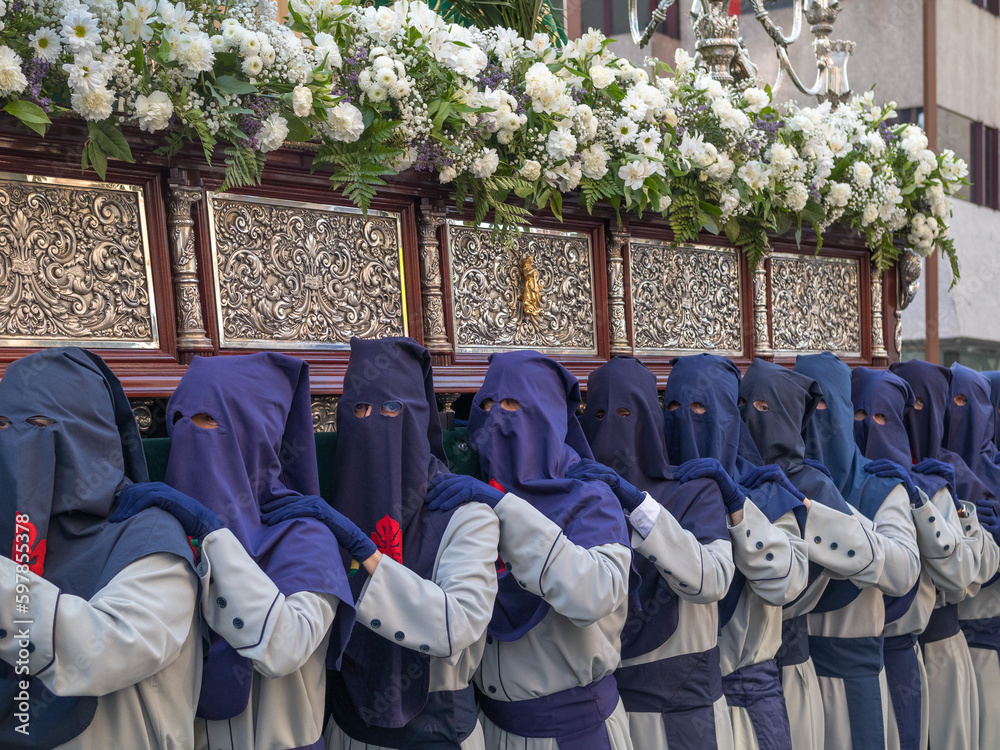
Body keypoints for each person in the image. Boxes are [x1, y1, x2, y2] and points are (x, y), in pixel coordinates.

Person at [113, 352, 357, 750]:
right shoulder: (167, 529)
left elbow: (284, 647)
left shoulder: (306, 536)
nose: (191, 433)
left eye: (208, 421)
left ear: (252, 432)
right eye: (180, 420)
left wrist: (213, 534)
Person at [279, 337, 499, 749]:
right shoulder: (332, 503)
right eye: (359, 410)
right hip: (346, 729)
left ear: (416, 419)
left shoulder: (464, 514)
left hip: (437, 731)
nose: (372, 421)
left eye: (391, 411)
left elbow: (459, 622)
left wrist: (367, 557)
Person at [426, 350, 634, 749]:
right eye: (486, 405)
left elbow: (595, 593)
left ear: (548, 413)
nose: (496, 416)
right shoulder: (471, 496)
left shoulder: (590, 498)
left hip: (573, 733)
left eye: (512, 404)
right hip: (492, 730)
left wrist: (505, 508)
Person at [0, 347, 201, 749]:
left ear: (88, 433)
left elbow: (109, 649)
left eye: (39, 424)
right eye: (3, 425)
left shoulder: (147, 535)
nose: (17, 440)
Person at [578, 355, 738, 749]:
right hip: (612, 716)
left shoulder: (694, 492)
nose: (612, 426)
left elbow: (712, 579)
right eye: (598, 414)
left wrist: (638, 504)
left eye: (625, 412)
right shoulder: (584, 499)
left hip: (686, 718)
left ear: (650, 418)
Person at [738, 357, 889, 750]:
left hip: (790, 667)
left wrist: (802, 504)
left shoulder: (810, 481)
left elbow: (869, 554)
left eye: (764, 408)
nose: (749, 419)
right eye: (742, 406)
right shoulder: (727, 472)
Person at [662, 353, 810, 750]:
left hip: (747, 709)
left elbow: (788, 583)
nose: (686, 419)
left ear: (727, 416)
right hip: (679, 713)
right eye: (674, 407)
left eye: (700, 408)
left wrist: (736, 507)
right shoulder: (658, 493)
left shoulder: (764, 490)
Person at [792, 353, 921, 750]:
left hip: (854, 683)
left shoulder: (879, 486)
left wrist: (822, 514)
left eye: (825, 405)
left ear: (844, 408)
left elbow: (903, 570)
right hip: (794, 680)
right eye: (805, 406)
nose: (816, 417)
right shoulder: (778, 477)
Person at [852, 366, 983, 750]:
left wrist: (921, 501)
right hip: (859, 668)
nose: (869, 428)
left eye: (881, 418)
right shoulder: (837, 484)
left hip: (929, 652)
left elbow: (965, 572)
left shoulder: (936, 484)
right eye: (858, 415)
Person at [940, 363, 1000, 749]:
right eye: (950, 402)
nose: (955, 414)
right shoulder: (937, 469)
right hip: (954, 644)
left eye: (967, 403)